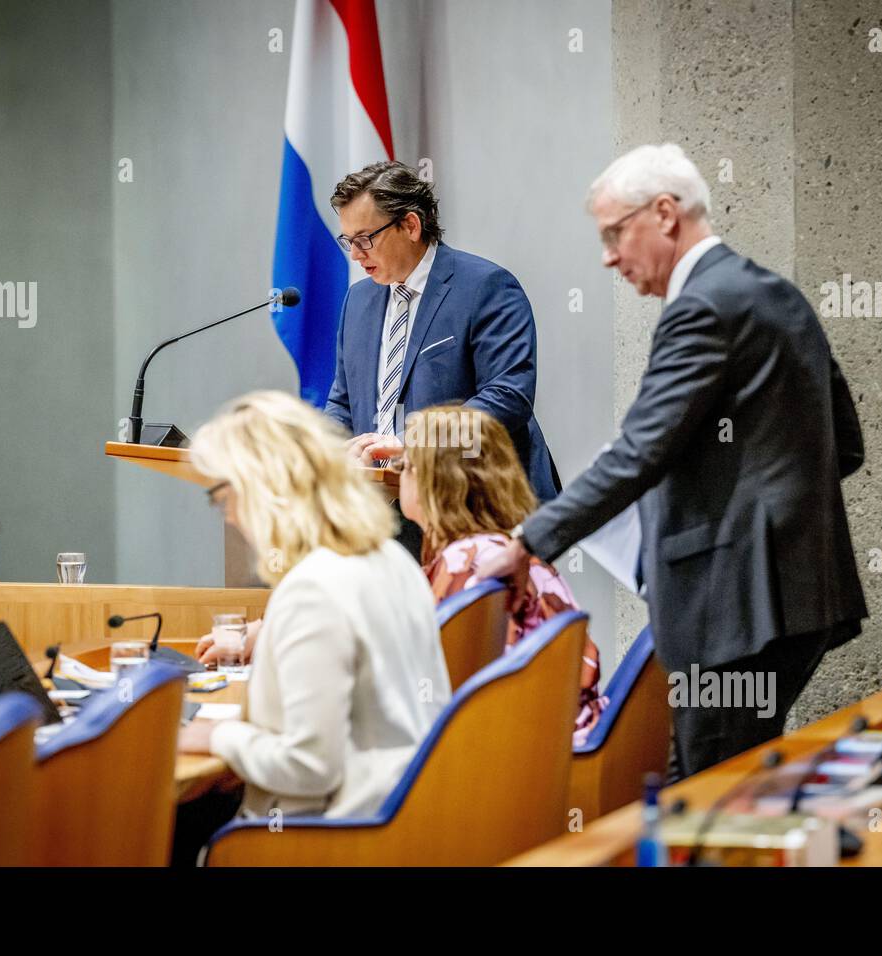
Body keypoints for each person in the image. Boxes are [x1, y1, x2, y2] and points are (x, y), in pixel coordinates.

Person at [477, 143, 869, 780]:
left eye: (613, 233)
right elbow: (844, 445)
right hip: (799, 598)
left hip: (736, 605)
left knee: (709, 795)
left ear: (665, 213)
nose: (608, 257)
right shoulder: (773, 292)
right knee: (737, 782)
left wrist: (528, 541)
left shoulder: (702, 307)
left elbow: (639, 453)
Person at [174, 390, 450, 863]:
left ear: (259, 491)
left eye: (223, 497)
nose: (231, 516)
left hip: (331, 839)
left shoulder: (313, 588)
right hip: (407, 824)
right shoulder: (392, 559)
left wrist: (216, 737)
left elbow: (309, 766)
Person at [323, 160, 560, 555]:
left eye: (365, 239)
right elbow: (343, 402)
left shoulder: (485, 286)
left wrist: (415, 447)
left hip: (476, 511)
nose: (355, 255)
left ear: (411, 226)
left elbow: (507, 398)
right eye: (348, 241)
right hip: (386, 517)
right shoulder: (358, 300)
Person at [394, 404, 606, 745]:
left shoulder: (466, 563)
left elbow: (433, 692)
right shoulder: (508, 552)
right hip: (563, 743)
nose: (397, 475)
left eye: (404, 466)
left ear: (436, 481)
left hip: (519, 753)